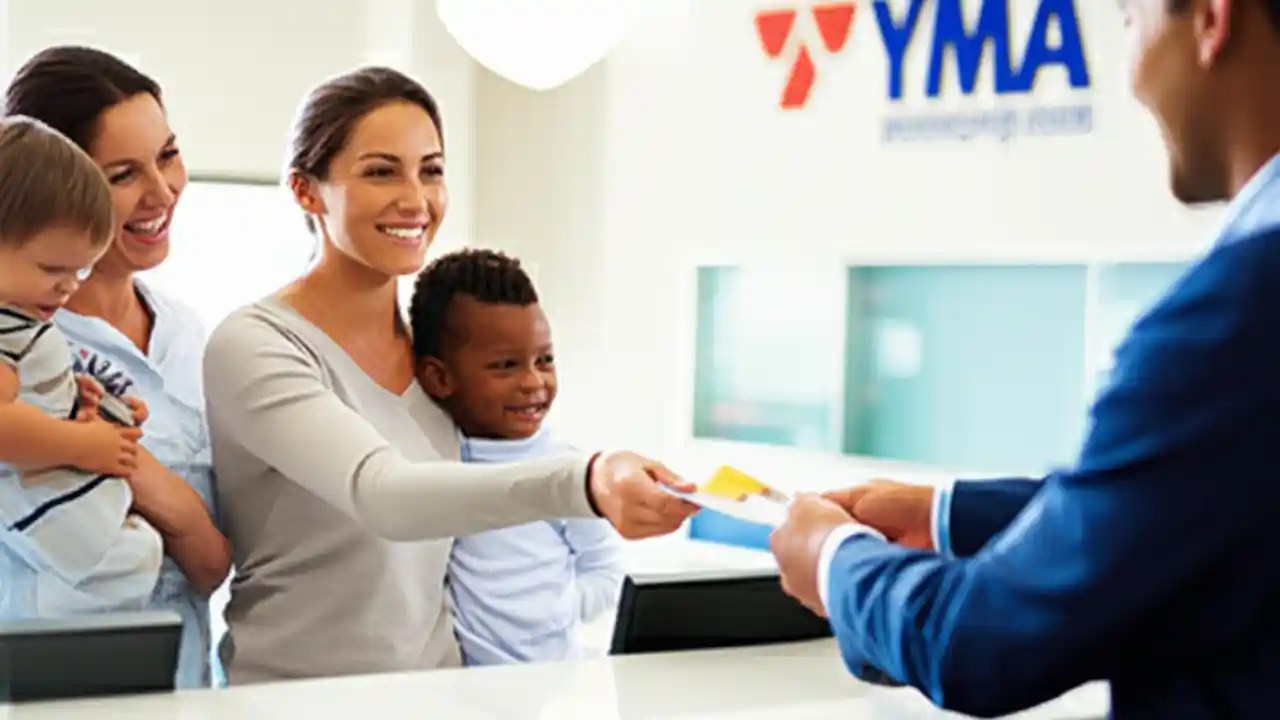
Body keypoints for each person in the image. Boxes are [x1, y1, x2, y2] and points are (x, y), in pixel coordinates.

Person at [768, 0, 1280, 717]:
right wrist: (946, 514)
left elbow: (981, 640)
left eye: (1130, 20)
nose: (1130, 79)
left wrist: (834, 560)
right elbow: (1203, 492)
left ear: (1211, 20)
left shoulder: (1232, 317)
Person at [204, 66, 696, 684]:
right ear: (306, 191)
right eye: (381, 171)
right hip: (299, 698)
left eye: (431, 170)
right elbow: (384, 495)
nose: (416, 199)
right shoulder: (256, 345)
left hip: (441, 692)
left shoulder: (437, 364)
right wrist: (589, 483)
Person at [4, 46, 232, 689]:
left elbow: (214, 562)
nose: (161, 192)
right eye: (123, 174)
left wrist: (173, 503)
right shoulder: (26, 344)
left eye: (167, 156)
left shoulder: (188, 334)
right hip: (49, 677)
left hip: (181, 681)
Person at [409, 248, 624, 666]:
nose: (534, 382)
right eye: (506, 365)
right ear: (439, 377)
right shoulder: (427, 463)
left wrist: (554, 610)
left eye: (545, 361)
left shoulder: (568, 471)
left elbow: (605, 570)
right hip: (454, 692)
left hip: (547, 689)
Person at [0, 116, 162, 619]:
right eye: (53, 270)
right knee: (123, 563)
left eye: (83, 269)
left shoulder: (21, 317)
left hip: (54, 501)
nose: (69, 286)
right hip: (34, 516)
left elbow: (31, 392)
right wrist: (82, 445)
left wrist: (79, 402)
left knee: (133, 557)